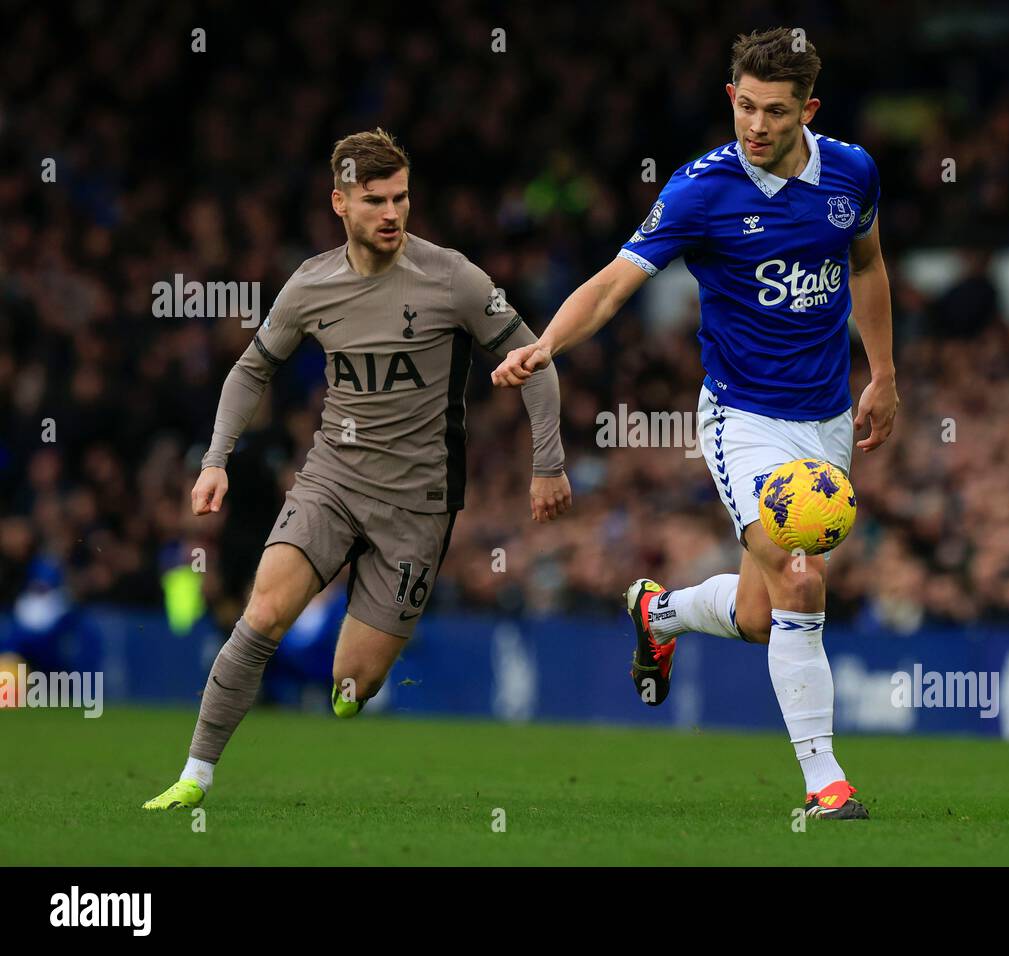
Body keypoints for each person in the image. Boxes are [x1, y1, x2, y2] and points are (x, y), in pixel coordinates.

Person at [492, 29, 898, 819]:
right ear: (730, 99)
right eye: (744, 106)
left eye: (775, 111)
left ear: (808, 109)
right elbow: (615, 282)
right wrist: (547, 343)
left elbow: (869, 264)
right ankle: (826, 783)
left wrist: (882, 373)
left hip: (826, 418)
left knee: (759, 615)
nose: (755, 125)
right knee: (800, 575)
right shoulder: (700, 190)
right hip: (743, 416)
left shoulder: (852, 172)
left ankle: (659, 613)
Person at [143, 129, 571, 810]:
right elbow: (253, 368)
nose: (393, 213)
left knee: (353, 687)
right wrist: (216, 458)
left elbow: (536, 363)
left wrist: (546, 463)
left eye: (401, 197)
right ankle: (195, 775)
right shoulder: (312, 284)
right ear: (339, 202)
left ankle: (355, 664)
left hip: (419, 506)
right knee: (262, 614)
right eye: (375, 200)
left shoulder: (453, 277)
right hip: (332, 481)